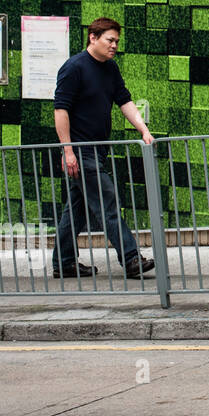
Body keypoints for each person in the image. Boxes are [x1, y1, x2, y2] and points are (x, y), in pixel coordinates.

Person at [52, 17, 156, 279]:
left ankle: (64, 263)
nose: (114, 46)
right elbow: (60, 110)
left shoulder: (110, 69)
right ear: (93, 38)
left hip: (96, 151)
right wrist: (68, 151)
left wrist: (143, 129)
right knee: (108, 202)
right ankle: (131, 258)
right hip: (80, 151)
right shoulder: (74, 68)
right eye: (110, 40)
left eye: (117, 42)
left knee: (77, 209)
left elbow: (125, 101)